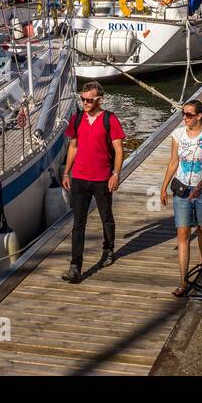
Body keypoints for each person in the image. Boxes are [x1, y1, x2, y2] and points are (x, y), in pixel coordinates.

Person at [60, 81, 125, 283]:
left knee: (106, 216)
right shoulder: (77, 118)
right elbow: (73, 146)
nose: (86, 102)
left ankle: (108, 249)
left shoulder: (109, 120)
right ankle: (75, 266)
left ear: (99, 99)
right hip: (79, 178)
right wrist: (66, 172)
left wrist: (115, 174)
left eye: (90, 100)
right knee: (78, 223)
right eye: (83, 99)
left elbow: (119, 150)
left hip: (102, 178)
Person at [161, 99, 202, 297]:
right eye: (183, 115)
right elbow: (173, 162)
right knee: (183, 234)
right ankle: (183, 281)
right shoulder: (177, 134)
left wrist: (199, 187)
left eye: (189, 115)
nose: (185, 118)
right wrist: (164, 187)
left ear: (200, 116)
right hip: (182, 190)